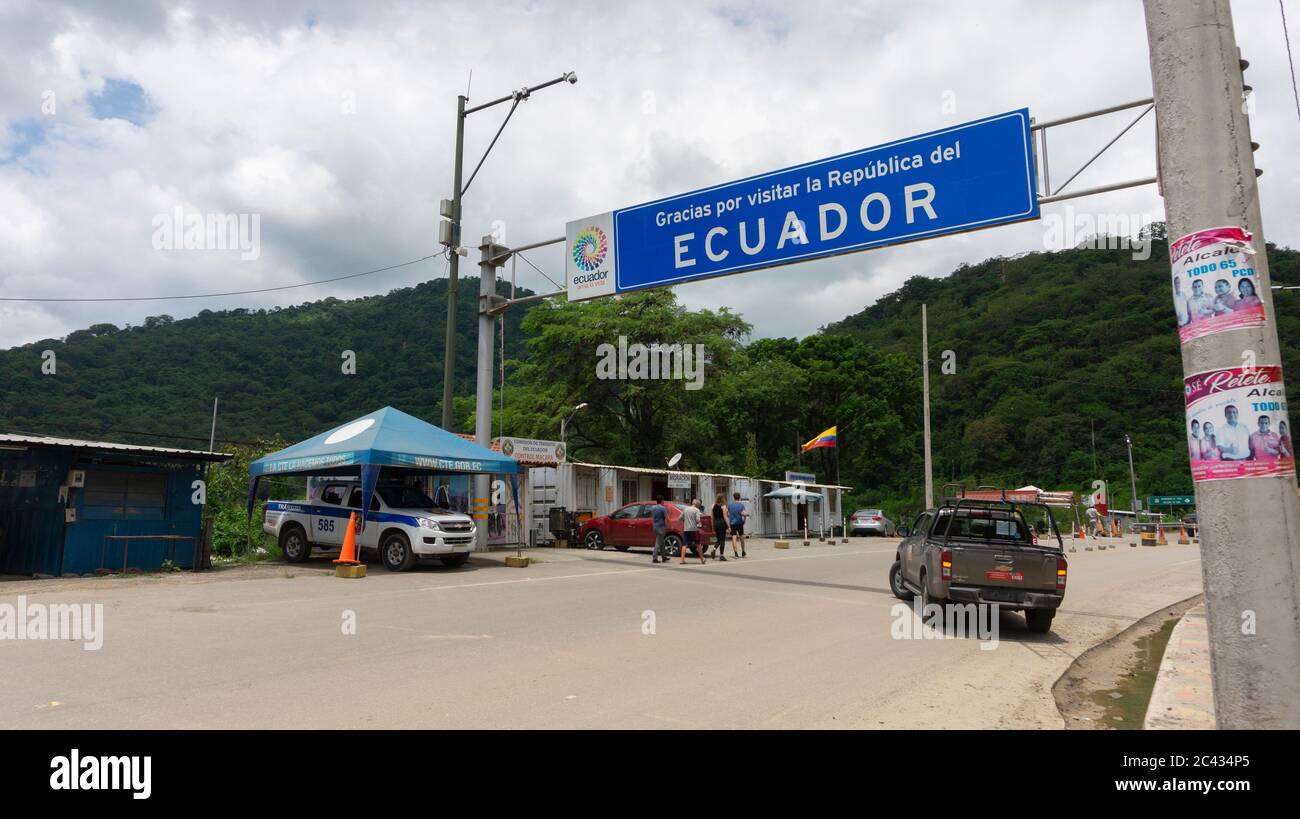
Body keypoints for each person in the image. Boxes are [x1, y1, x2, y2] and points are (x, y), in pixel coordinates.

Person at [680, 498, 705, 564]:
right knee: (698, 544)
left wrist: (685, 521)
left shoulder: (685, 509)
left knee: (684, 544)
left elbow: (680, 518)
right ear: (697, 505)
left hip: (686, 529)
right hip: (694, 530)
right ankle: (702, 560)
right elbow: (697, 520)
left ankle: (682, 560)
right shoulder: (697, 510)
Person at [650, 496, 672, 564]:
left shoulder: (653, 508)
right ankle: (654, 558)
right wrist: (670, 525)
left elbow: (652, 517)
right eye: (663, 501)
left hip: (655, 526)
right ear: (662, 501)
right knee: (658, 543)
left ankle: (664, 557)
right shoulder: (663, 508)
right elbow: (667, 518)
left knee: (662, 542)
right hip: (661, 527)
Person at [727, 492, 748, 558]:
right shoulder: (741, 505)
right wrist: (744, 520)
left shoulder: (730, 505)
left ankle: (736, 553)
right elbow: (744, 513)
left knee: (734, 537)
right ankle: (743, 552)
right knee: (741, 537)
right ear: (739, 497)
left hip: (732, 523)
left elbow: (727, 514)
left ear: (733, 497)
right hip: (739, 522)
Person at [710, 494, 728, 561]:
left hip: (716, 523)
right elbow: (725, 517)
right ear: (723, 499)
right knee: (722, 540)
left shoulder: (713, 506)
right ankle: (721, 555)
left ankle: (714, 549)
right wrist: (729, 526)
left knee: (718, 539)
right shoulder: (723, 506)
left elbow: (712, 517)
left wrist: (712, 526)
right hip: (722, 523)